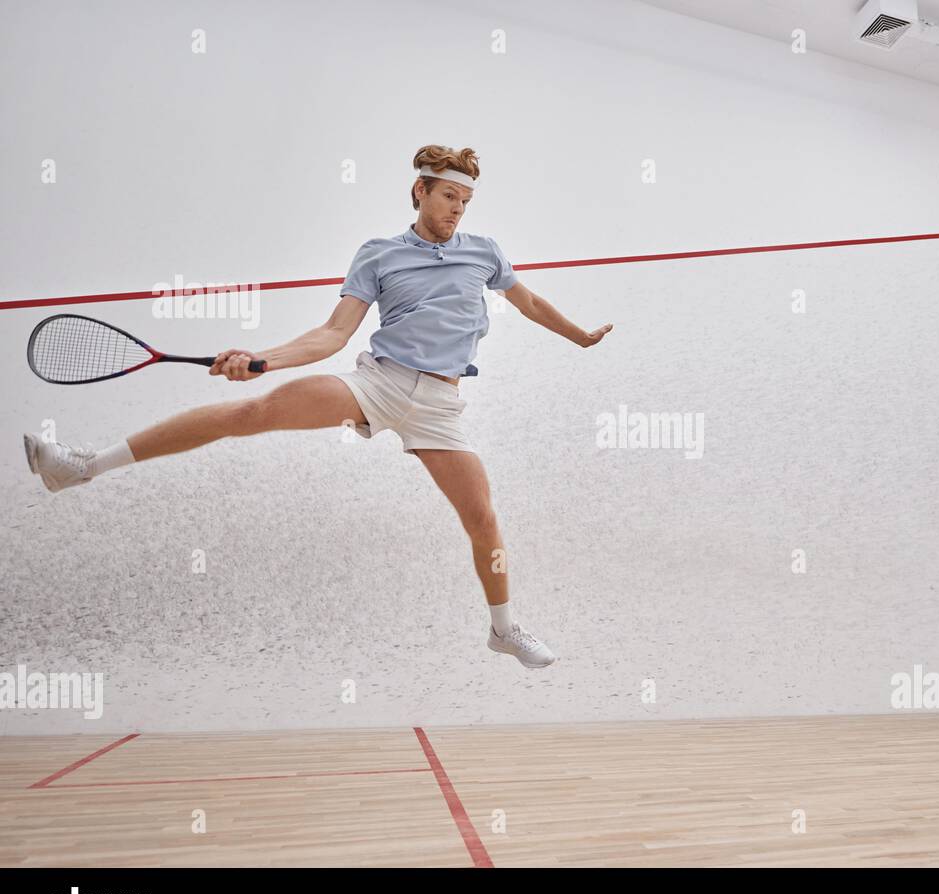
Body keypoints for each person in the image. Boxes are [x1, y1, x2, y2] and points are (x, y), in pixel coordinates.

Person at [23, 144, 613, 669]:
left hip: (441, 404)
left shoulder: (484, 251)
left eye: (466, 199)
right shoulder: (379, 254)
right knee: (250, 413)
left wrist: (579, 336)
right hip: (380, 383)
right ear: (420, 191)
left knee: (483, 520)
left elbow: (529, 301)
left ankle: (504, 631)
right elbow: (333, 334)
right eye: (448, 195)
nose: (458, 208)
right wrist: (264, 358)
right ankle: (82, 467)